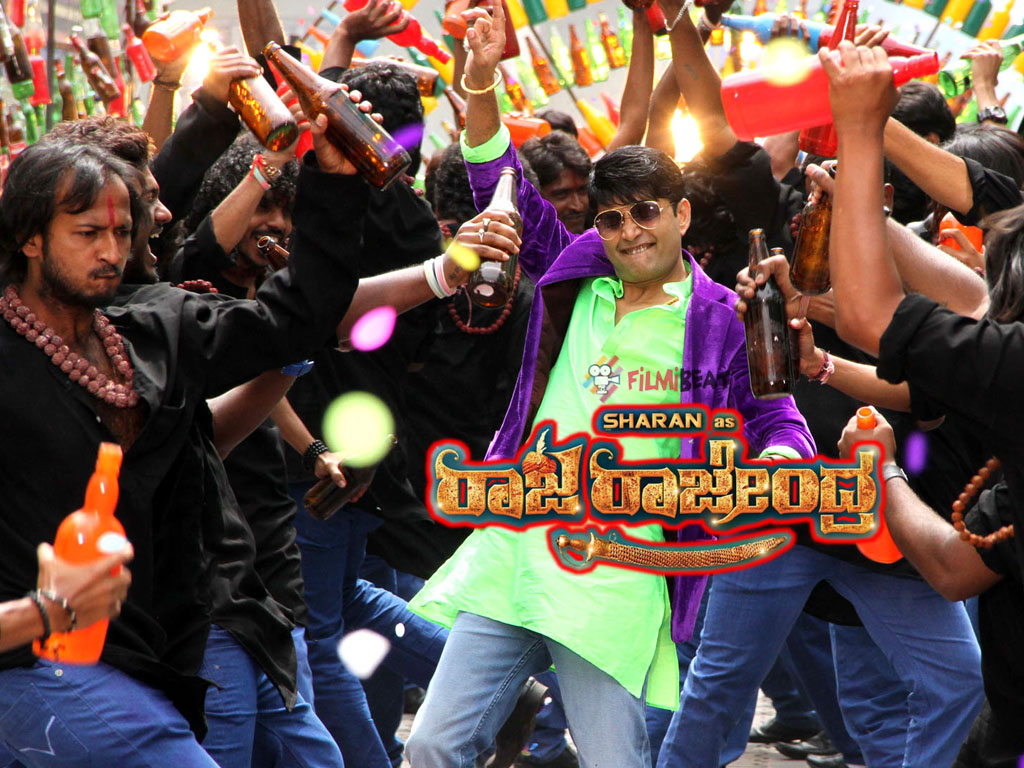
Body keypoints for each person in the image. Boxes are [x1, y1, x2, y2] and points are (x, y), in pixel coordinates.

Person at [404, 3, 813, 766]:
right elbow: (496, 172)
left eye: (646, 213)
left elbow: (778, 417)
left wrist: (777, 463)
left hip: (616, 571)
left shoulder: (721, 318)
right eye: (613, 219)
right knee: (430, 745)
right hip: (517, 547)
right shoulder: (575, 272)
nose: (629, 233)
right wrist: (482, 78)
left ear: (682, 214)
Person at [0, 104, 362, 765]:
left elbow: (293, 321)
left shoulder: (149, 327)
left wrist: (334, 180)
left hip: (150, 650)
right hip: (31, 663)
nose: (111, 253)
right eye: (87, 233)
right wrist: (39, 612)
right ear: (29, 238)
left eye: (122, 232)